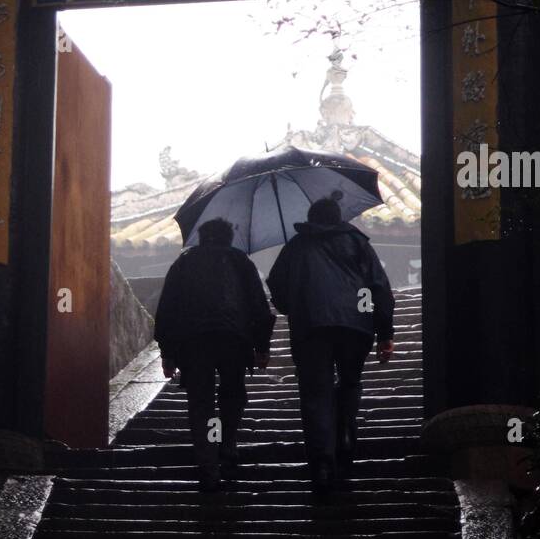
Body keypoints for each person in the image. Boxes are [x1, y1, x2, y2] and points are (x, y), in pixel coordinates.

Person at [267, 195, 395, 495]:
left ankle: (323, 463)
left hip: (311, 327)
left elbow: (276, 285)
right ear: (339, 217)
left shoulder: (297, 246)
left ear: (311, 219)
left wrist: (294, 306)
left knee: (316, 393)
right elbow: (379, 287)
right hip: (356, 325)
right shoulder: (357, 242)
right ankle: (347, 437)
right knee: (350, 383)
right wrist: (385, 333)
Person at [155, 217, 275, 492]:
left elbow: (167, 310)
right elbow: (259, 306)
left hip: (194, 344)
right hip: (234, 340)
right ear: (228, 237)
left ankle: (208, 464)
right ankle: (228, 443)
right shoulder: (241, 262)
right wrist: (262, 347)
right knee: (232, 394)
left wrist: (167, 352)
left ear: (200, 236)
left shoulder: (184, 263)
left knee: (202, 402)